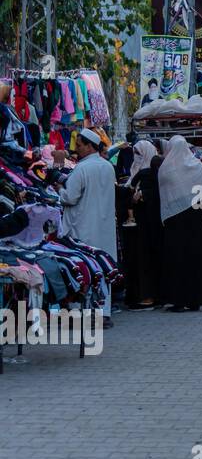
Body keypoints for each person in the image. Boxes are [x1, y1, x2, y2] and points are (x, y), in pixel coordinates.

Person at [54, 127, 119, 324]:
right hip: (103, 224)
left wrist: (58, 188)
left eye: (80, 146)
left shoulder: (82, 168)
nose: (77, 150)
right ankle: (103, 312)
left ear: (90, 146)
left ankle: (88, 313)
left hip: (84, 226)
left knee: (86, 268)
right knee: (103, 267)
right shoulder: (107, 166)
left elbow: (70, 197)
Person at [157, 136, 202, 311]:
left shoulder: (166, 169)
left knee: (178, 261)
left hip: (175, 225)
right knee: (197, 259)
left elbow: (166, 198)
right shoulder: (197, 165)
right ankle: (197, 299)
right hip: (196, 222)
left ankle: (179, 300)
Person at [124, 140, 164, 309]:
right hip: (137, 226)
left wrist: (143, 195)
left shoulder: (154, 172)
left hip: (150, 225)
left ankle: (151, 296)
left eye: (140, 154)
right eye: (135, 154)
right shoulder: (137, 171)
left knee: (148, 259)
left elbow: (156, 196)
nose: (137, 158)